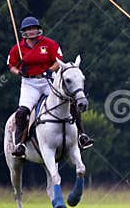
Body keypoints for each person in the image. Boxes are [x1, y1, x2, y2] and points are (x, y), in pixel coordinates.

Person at [7, 16, 93, 158]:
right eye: (28, 29)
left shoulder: (49, 44)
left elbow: (58, 62)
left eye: (34, 28)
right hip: (30, 84)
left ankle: (82, 135)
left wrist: (49, 70)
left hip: (48, 81)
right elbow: (11, 65)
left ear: (38, 29)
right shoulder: (18, 47)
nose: (32, 31)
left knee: (71, 104)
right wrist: (19, 71)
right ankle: (20, 145)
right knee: (22, 112)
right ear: (24, 32)